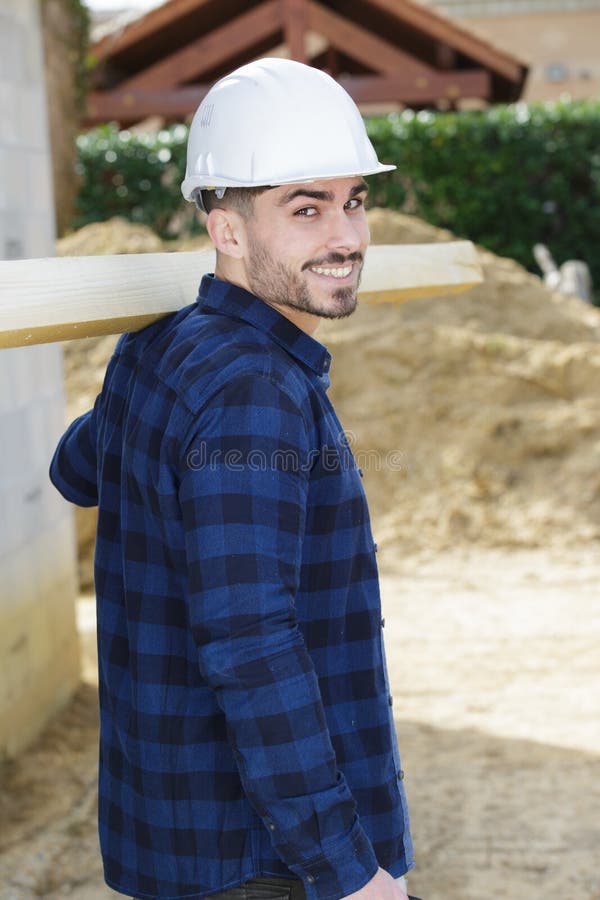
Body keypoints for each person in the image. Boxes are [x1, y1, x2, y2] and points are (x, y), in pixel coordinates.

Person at [50, 58, 417, 900]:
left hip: (170, 843)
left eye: (353, 201)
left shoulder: (153, 353)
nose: (348, 236)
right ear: (226, 229)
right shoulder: (254, 391)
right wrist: (348, 872)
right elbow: (253, 649)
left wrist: (128, 404)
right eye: (305, 207)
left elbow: (74, 468)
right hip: (261, 864)